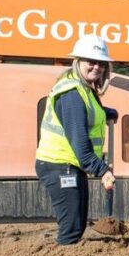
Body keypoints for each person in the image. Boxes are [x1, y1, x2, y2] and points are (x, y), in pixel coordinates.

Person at [35, 34, 116, 245]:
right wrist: (102, 170)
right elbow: (81, 145)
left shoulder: (83, 88)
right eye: (91, 61)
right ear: (78, 61)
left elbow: (84, 114)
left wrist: (105, 112)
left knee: (78, 224)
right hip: (60, 164)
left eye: (101, 63)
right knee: (71, 227)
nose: (96, 67)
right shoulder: (72, 93)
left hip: (72, 164)